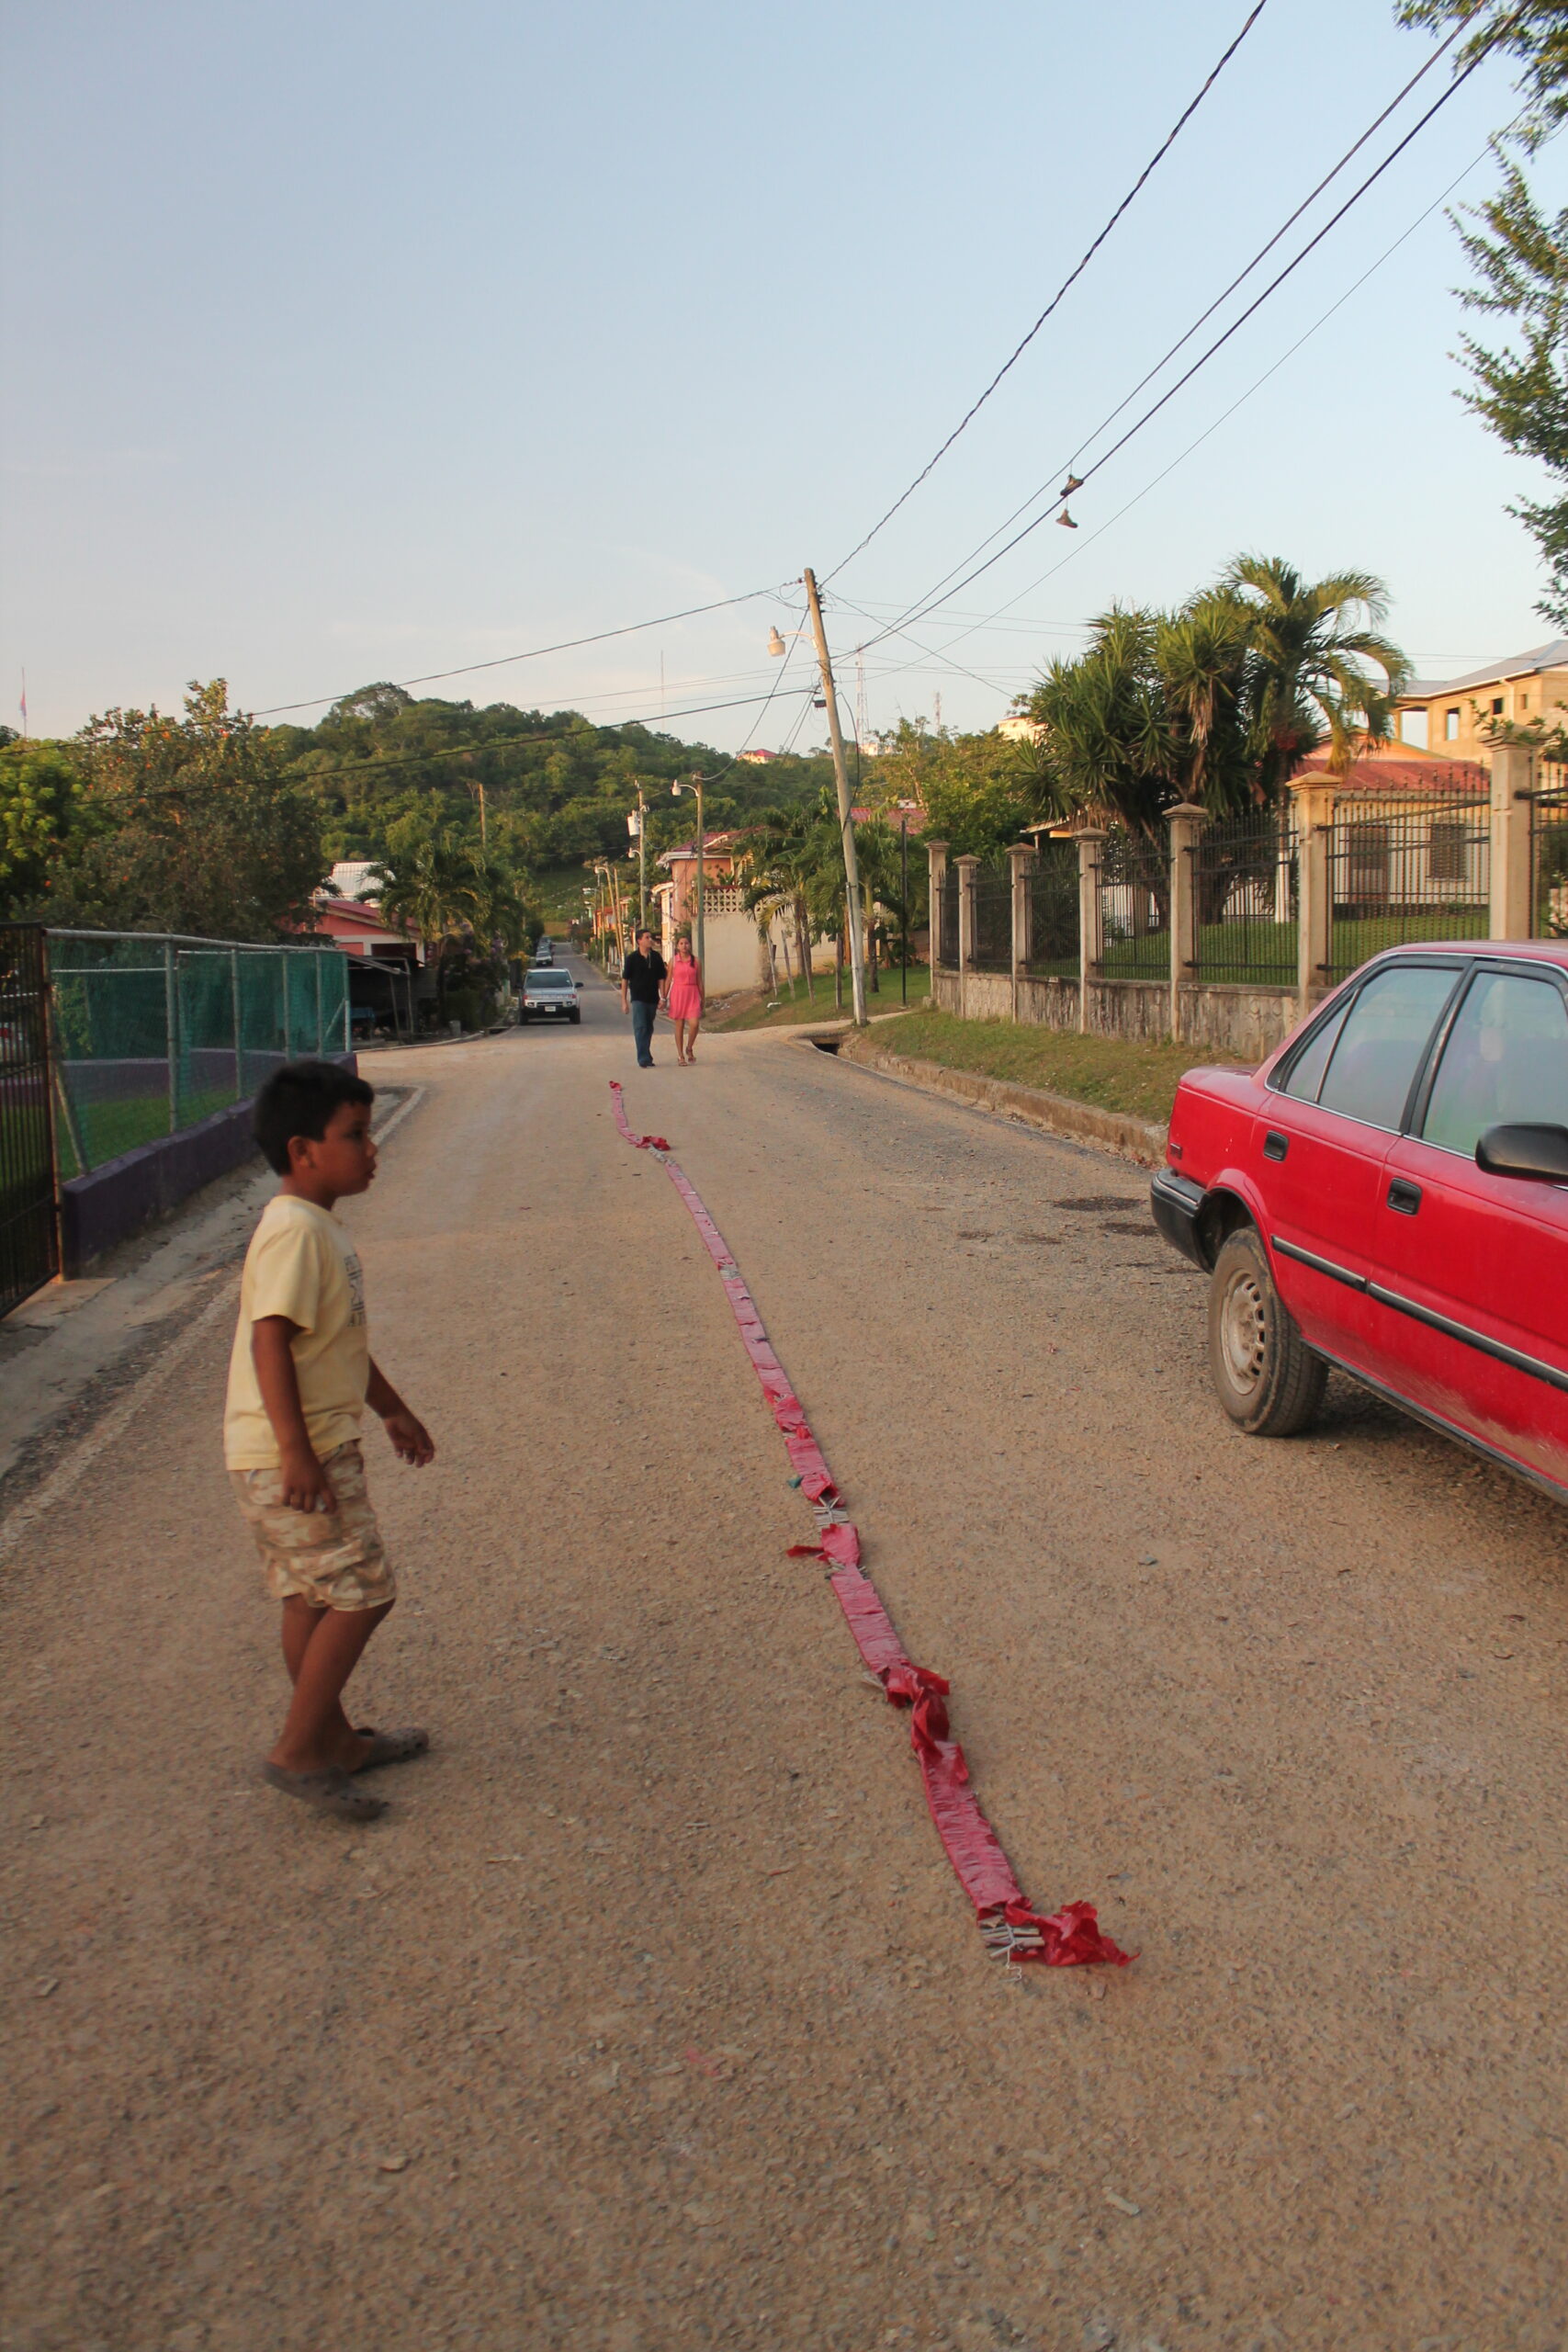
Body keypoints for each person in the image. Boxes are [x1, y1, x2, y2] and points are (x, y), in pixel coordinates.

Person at [225, 1059, 435, 1822]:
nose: (370, 1150)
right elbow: (269, 1342)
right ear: (303, 1149)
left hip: (291, 1449)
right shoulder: (291, 1232)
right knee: (362, 1592)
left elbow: (336, 1343)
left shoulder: (315, 1227)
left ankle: (336, 1740)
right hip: (294, 1451)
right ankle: (296, 1750)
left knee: (310, 1597)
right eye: (354, 1136)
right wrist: (295, 1451)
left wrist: (392, 1410)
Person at [620, 926, 668, 1068]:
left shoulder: (656, 957)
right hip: (638, 998)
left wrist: (663, 997)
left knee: (648, 1027)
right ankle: (643, 1058)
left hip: (652, 998)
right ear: (639, 941)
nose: (650, 940)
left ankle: (646, 1055)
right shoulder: (632, 958)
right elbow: (625, 979)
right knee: (640, 1027)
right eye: (647, 937)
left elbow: (661, 978)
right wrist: (624, 1001)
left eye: (650, 937)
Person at [666, 933, 705, 1064]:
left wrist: (702, 998)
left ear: (690, 945)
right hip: (678, 993)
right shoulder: (674, 961)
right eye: (681, 943)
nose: (684, 946)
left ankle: (689, 1047)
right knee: (679, 1026)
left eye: (686, 943)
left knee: (694, 1024)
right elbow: (667, 980)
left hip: (692, 993)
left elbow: (699, 981)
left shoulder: (696, 961)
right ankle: (680, 1055)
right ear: (677, 946)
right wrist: (663, 997)